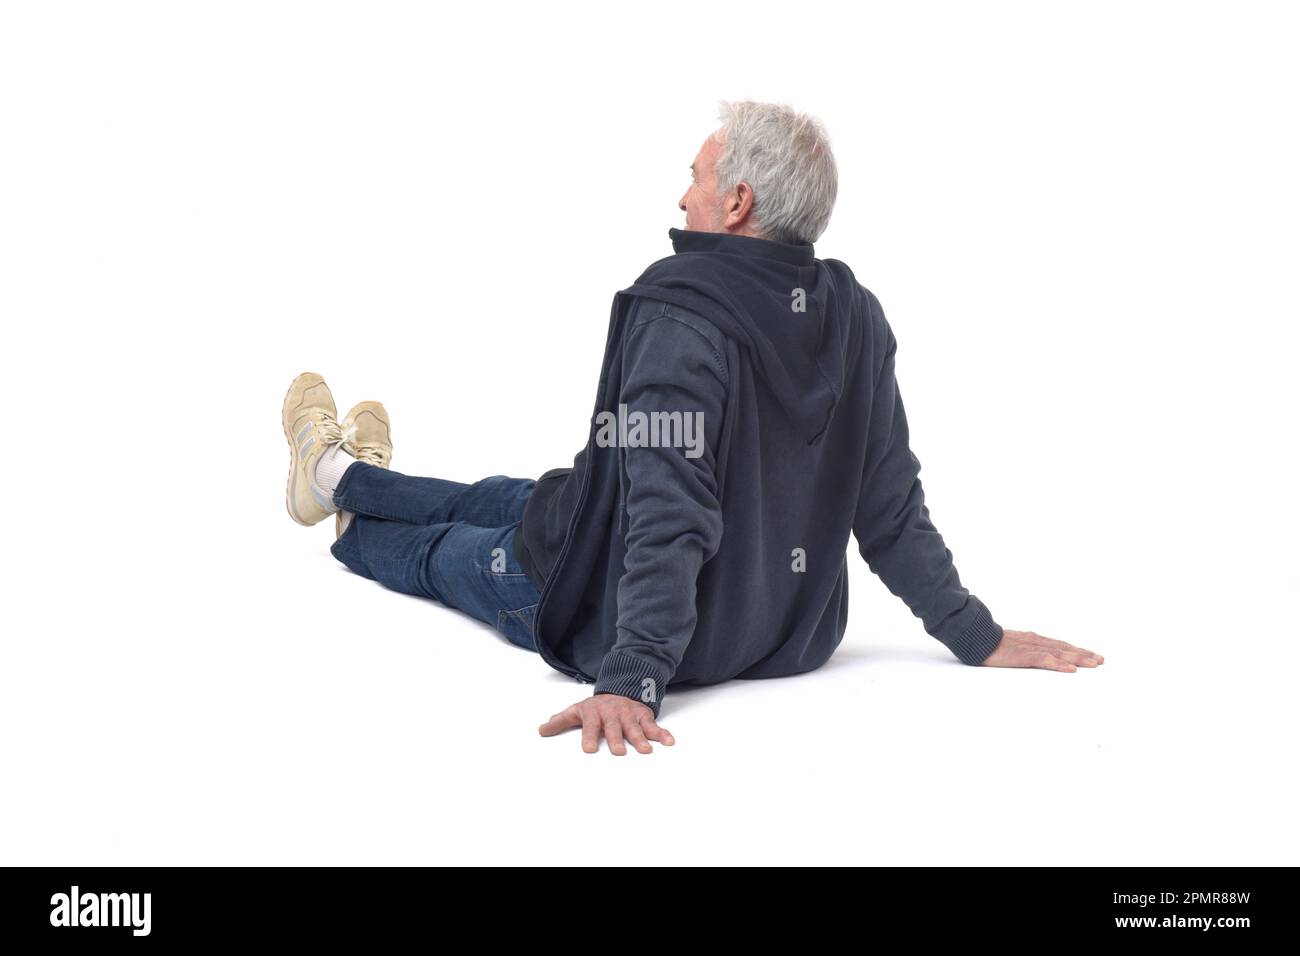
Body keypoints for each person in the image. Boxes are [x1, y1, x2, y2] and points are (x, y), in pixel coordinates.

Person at [281, 100, 1104, 755]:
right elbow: (888, 506)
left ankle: (341, 511)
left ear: (738, 202)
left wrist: (634, 673)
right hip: (767, 622)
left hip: (593, 592)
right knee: (504, 494)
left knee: (439, 552)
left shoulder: (684, 311)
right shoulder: (854, 313)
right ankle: (343, 473)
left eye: (696, 177)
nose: (683, 196)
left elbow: (668, 513)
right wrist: (971, 631)